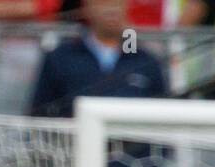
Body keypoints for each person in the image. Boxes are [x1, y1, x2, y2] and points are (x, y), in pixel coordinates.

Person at [29, 0, 168, 119]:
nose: (112, 9)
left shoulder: (146, 61)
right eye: (103, 2)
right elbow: (39, 114)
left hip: (134, 148)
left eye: (118, 2)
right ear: (86, 7)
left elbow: (163, 117)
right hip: (77, 146)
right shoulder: (60, 58)